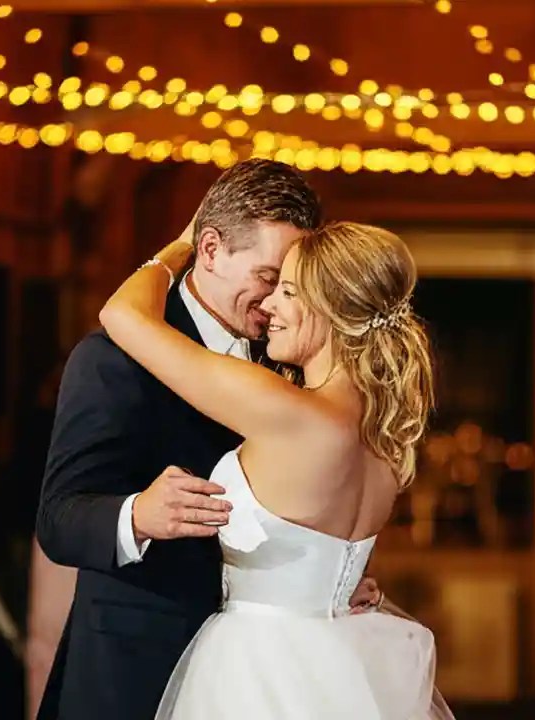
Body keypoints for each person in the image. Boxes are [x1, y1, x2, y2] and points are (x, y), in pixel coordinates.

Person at [34, 160, 382, 720]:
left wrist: (319, 573)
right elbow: (58, 519)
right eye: (270, 278)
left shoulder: (293, 354)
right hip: (137, 670)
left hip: (264, 681)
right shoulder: (114, 359)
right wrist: (138, 516)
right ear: (212, 249)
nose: (275, 303)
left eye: (291, 285)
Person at [100, 216, 452, 718]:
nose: (269, 306)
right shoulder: (386, 441)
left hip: (257, 669)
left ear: (328, 306)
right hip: (340, 670)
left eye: (286, 291)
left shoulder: (287, 411)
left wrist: (180, 247)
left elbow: (122, 316)